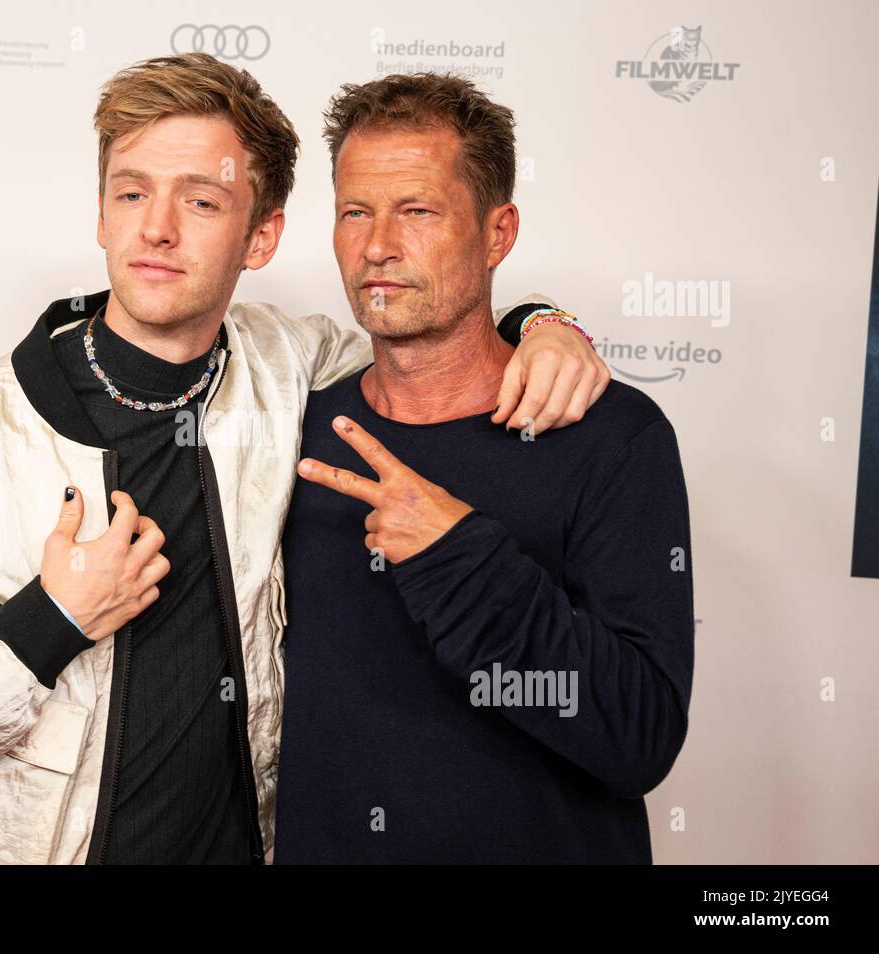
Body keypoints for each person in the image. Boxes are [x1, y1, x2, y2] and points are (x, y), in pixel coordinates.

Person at [0, 53, 608, 865]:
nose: (156, 228)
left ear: (262, 236)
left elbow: (425, 341)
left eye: (202, 201)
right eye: (131, 193)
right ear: (101, 214)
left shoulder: (293, 371)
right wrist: (43, 626)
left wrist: (542, 321)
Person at [273, 71, 694, 864]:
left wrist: (456, 557)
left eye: (419, 211)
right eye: (354, 212)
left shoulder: (609, 436)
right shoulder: (300, 424)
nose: (377, 246)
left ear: (498, 234)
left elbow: (641, 735)